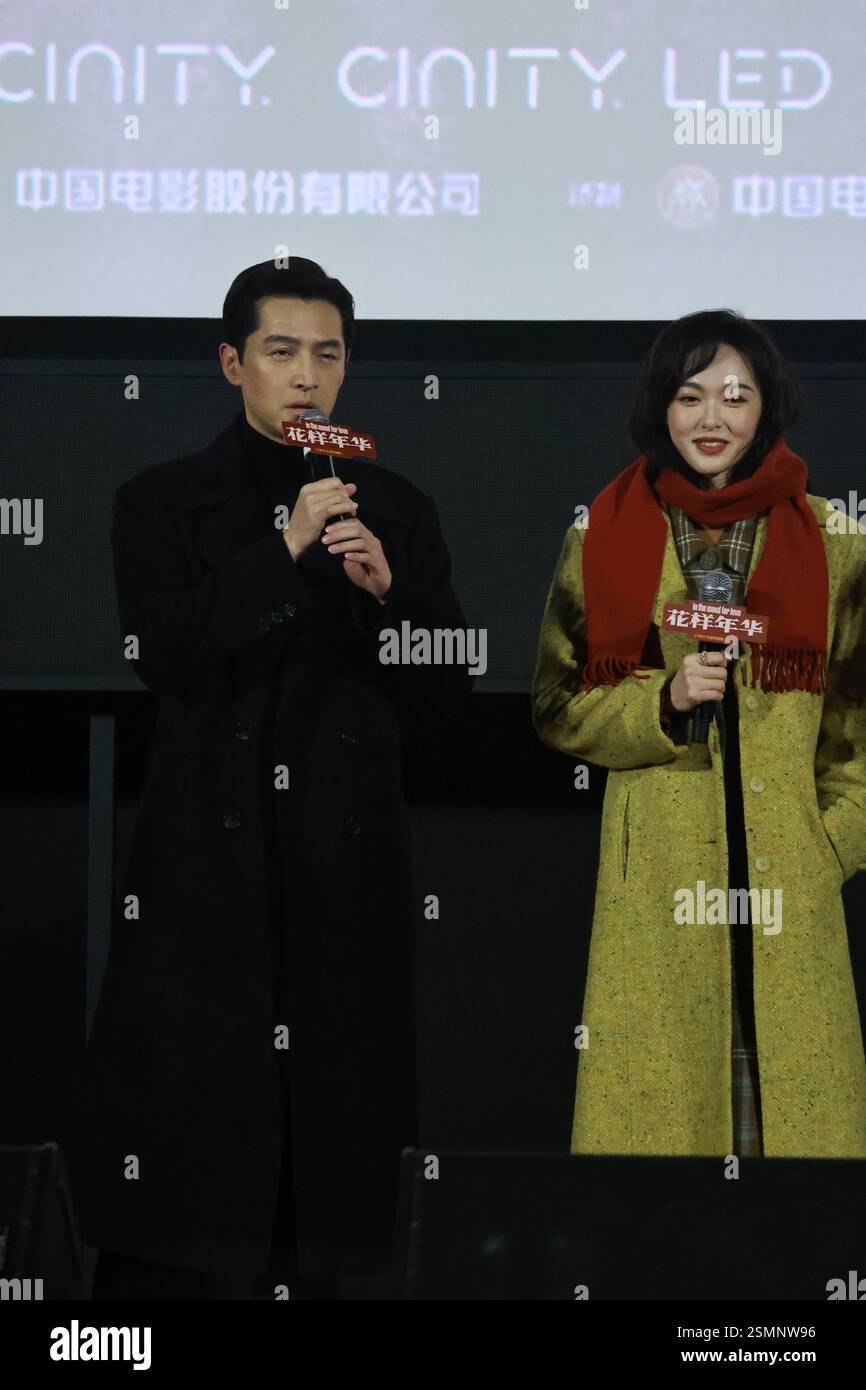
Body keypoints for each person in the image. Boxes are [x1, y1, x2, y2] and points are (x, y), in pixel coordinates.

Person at [66, 257, 471, 1299]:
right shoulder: (161, 501)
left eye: (326, 354)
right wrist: (280, 548)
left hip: (345, 881)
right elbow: (163, 650)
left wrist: (388, 605)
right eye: (281, 352)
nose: (306, 376)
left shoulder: (396, 507)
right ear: (230, 362)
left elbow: (443, 701)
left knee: (338, 1170)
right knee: (194, 1170)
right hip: (209, 877)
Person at [531, 308, 866, 1159]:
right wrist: (664, 701)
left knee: (795, 1143)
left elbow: (859, 728)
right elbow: (559, 706)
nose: (712, 419)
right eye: (690, 397)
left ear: (766, 409)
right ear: (660, 408)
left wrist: (829, 849)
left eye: (735, 397)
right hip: (659, 883)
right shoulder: (599, 534)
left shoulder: (835, 540)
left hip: (790, 876)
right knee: (658, 1148)